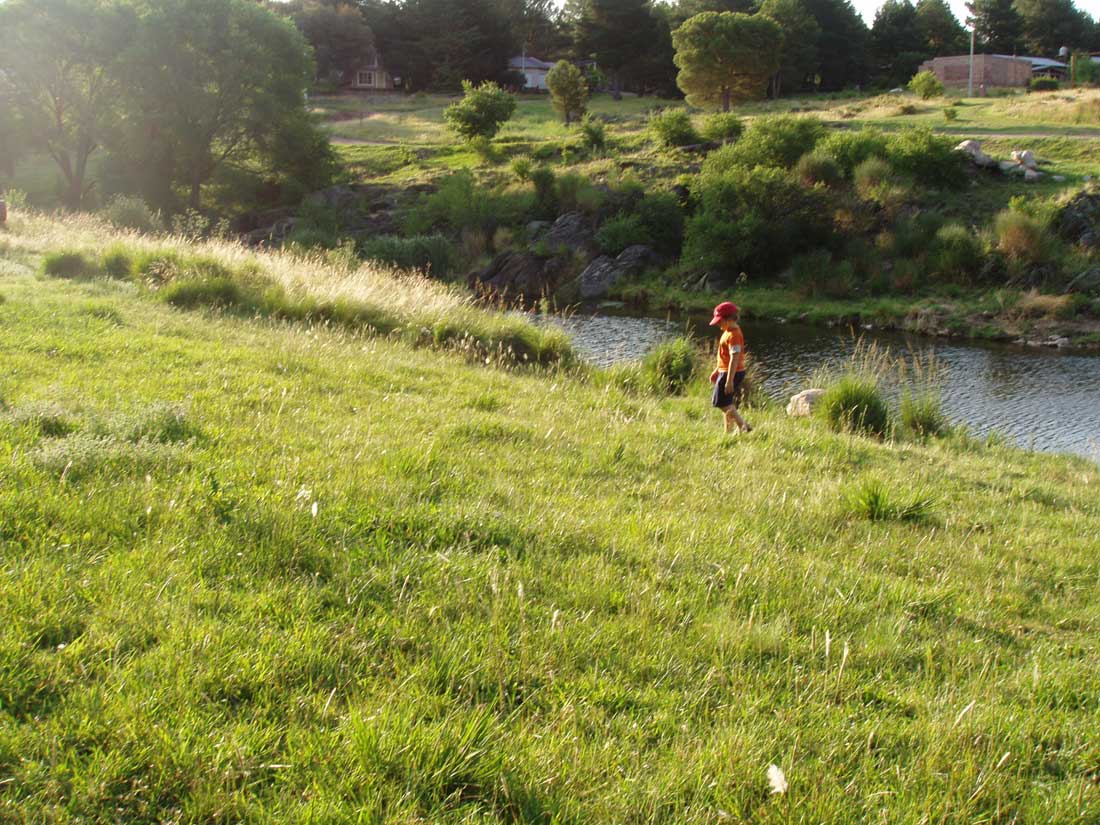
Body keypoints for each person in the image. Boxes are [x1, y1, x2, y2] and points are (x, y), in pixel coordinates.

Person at [708, 301, 752, 434]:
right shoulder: (728, 331)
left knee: (722, 403)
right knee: (725, 403)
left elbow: (734, 358)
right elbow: (724, 357)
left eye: (720, 322)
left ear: (729, 319)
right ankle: (728, 432)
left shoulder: (734, 335)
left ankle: (743, 426)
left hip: (731, 373)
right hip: (725, 371)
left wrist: (729, 380)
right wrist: (717, 370)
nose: (718, 325)